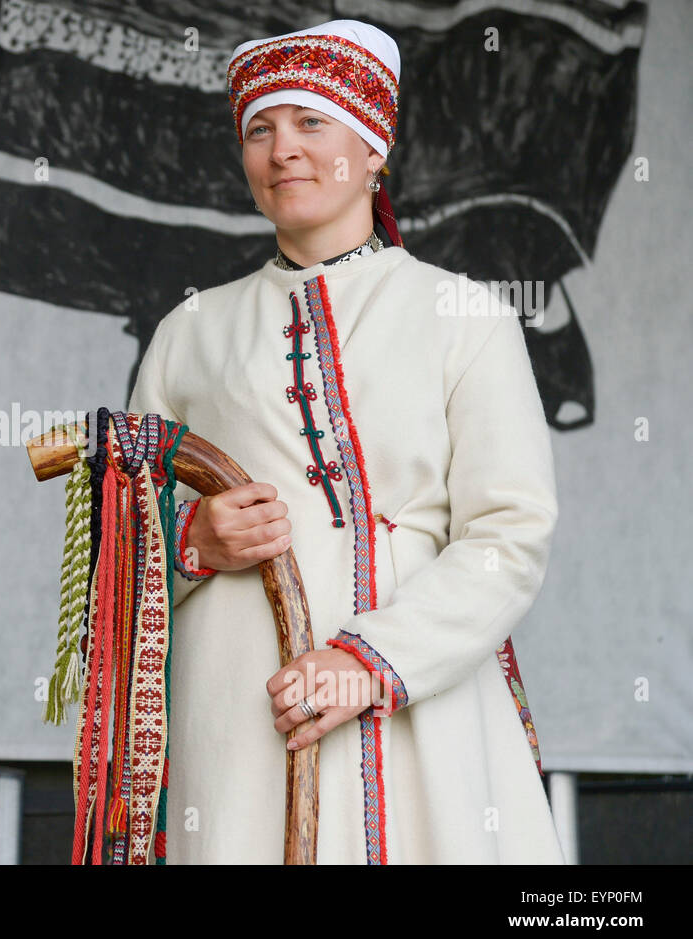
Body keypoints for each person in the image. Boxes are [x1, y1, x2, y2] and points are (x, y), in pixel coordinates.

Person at [127, 19, 563, 863]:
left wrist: (370, 660)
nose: (282, 148)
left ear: (374, 149)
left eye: (310, 122)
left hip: (422, 704)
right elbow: (118, 544)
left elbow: (509, 532)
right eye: (260, 130)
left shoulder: (463, 315)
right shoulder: (188, 331)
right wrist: (189, 541)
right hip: (240, 713)